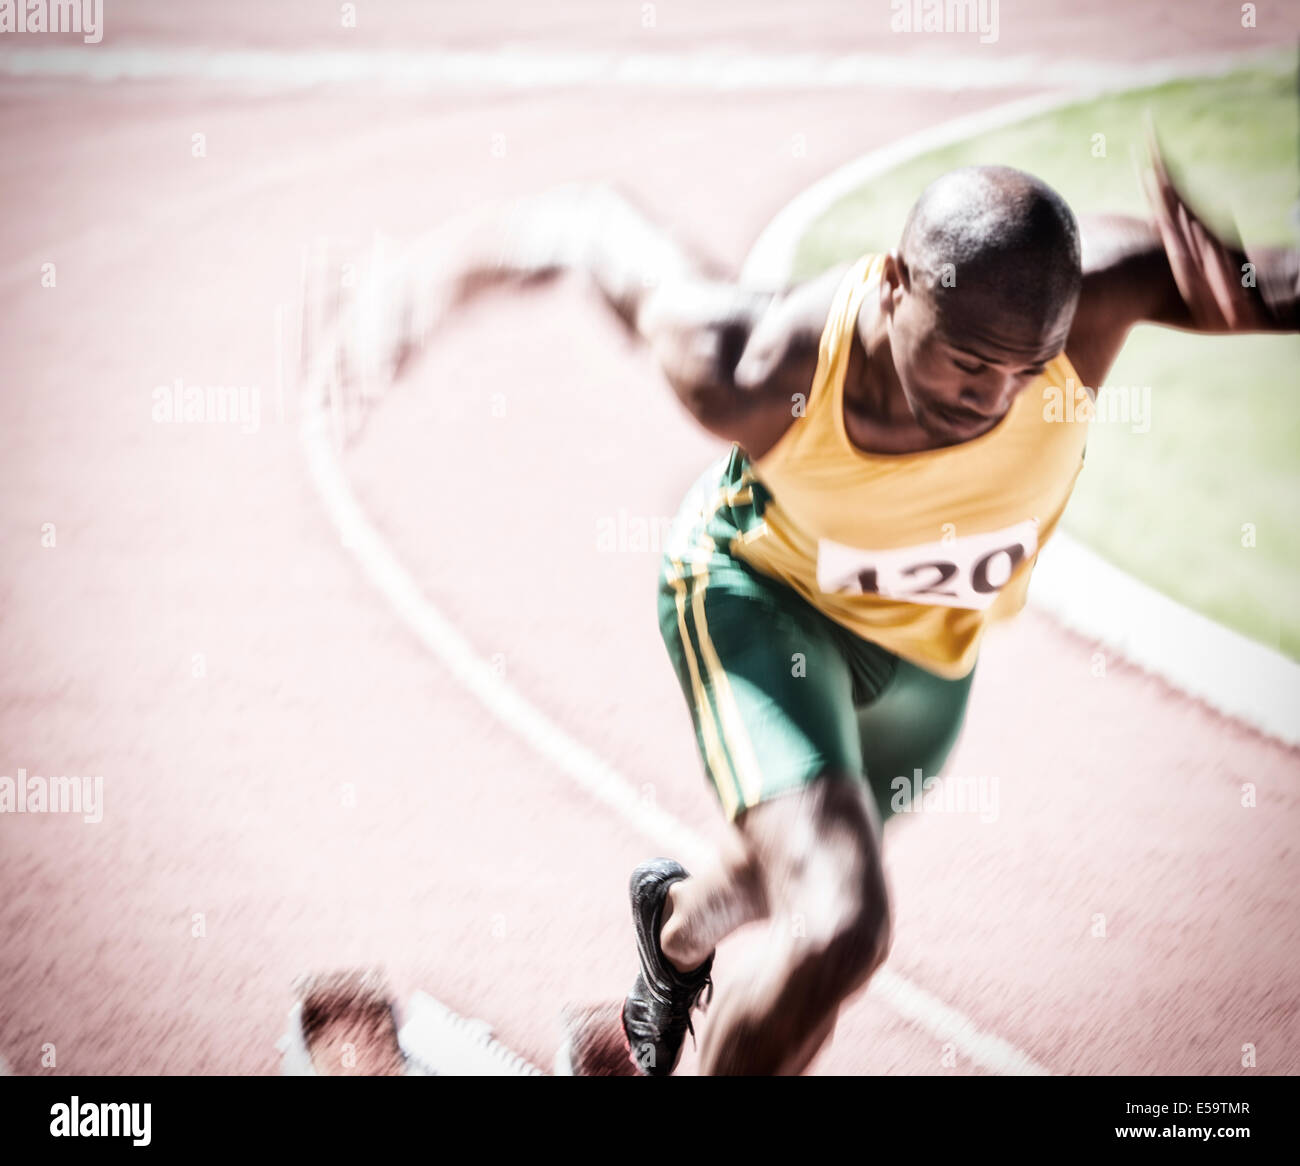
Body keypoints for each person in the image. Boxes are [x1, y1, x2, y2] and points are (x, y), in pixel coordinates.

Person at [341, 136, 1298, 1076]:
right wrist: (422, 280)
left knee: (778, 872)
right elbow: (591, 224)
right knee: (841, 921)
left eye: (1026, 368)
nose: (996, 396)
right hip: (760, 601)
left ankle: (672, 936)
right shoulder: (752, 365)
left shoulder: (1097, 296)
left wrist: (1262, 288)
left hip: (928, 662)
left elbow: (1278, 281)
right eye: (969, 361)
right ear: (895, 283)